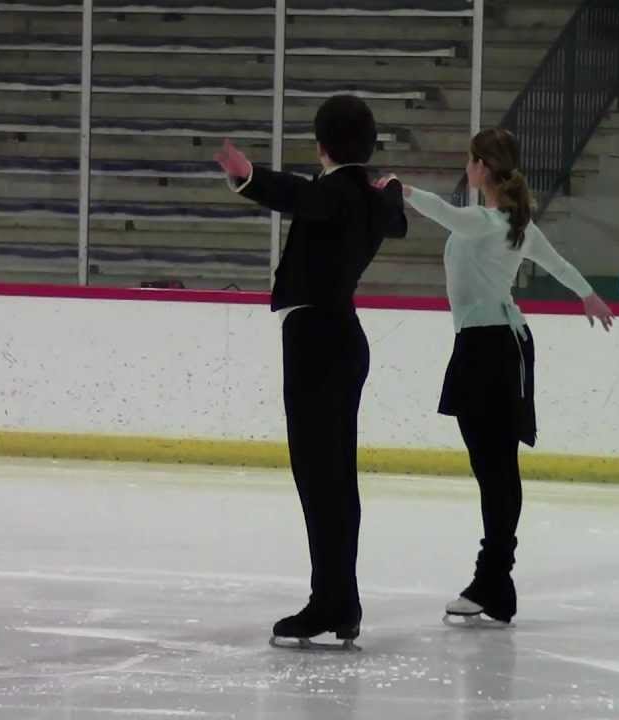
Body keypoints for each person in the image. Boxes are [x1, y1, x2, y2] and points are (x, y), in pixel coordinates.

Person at [375, 128, 613, 626]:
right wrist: (587, 294)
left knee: (497, 467)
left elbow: (450, 215)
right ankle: (497, 584)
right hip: (482, 346)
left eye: (469, 161)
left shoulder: (489, 221)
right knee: (492, 467)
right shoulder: (507, 221)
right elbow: (560, 265)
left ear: (481, 166)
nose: (467, 168)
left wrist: (405, 190)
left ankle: (493, 578)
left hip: (499, 348)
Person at [214, 95, 407, 649]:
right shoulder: (370, 198)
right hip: (339, 339)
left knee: (321, 480)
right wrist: (389, 187)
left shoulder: (338, 193)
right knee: (333, 481)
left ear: (321, 145)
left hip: (317, 342)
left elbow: (301, 195)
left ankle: (332, 602)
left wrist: (248, 177)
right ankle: (340, 600)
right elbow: (394, 222)